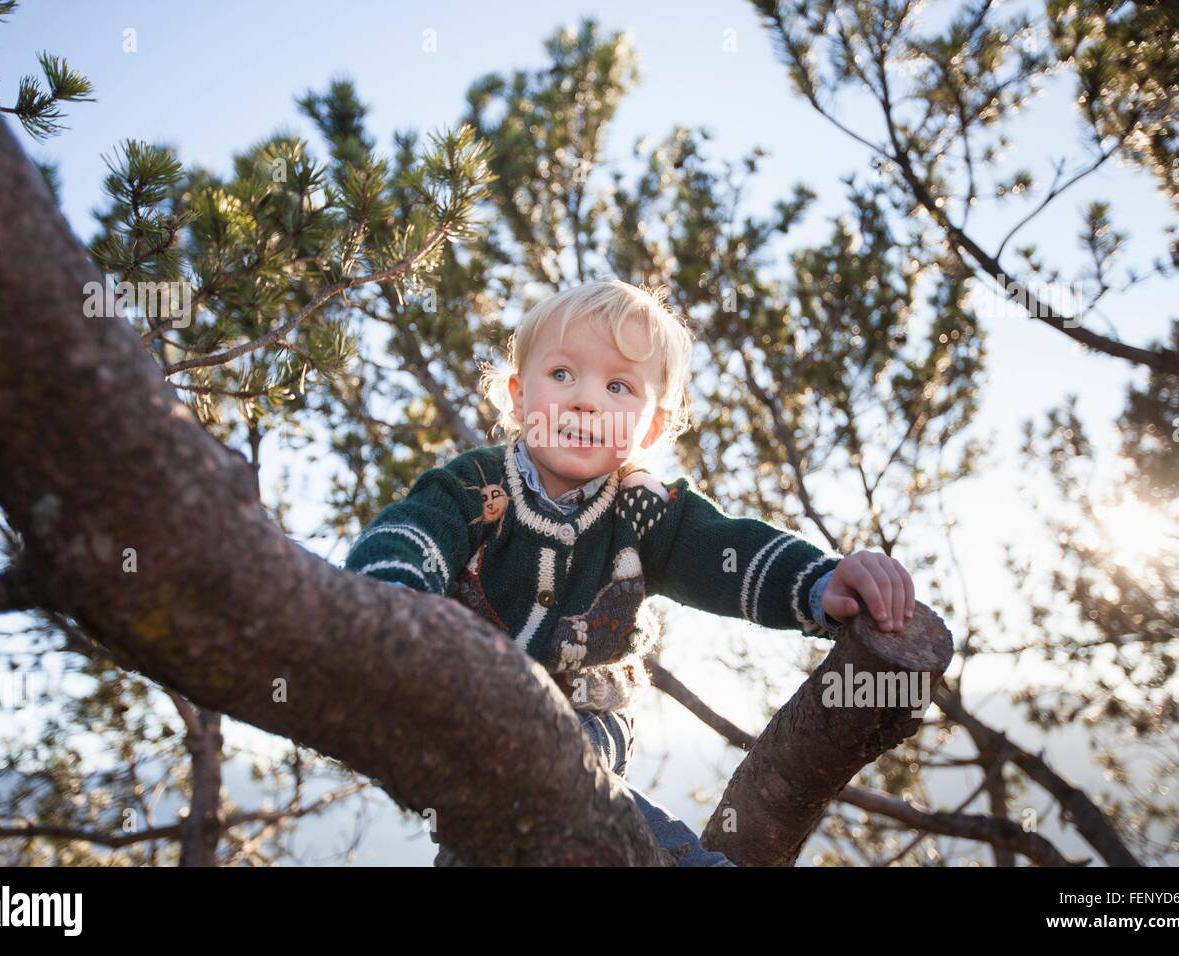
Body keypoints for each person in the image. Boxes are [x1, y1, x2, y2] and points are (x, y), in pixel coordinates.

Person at [344, 278, 916, 866]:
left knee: (564, 787)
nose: (585, 400)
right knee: (490, 818)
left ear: (649, 429)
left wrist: (821, 584)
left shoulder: (645, 511)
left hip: (592, 717)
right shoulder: (474, 488)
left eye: (618, 385)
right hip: (474, 717)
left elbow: (730, 553)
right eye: (562, 374)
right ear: (518, 398)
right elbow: (412, 535)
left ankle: (675, 858)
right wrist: (390, 604)